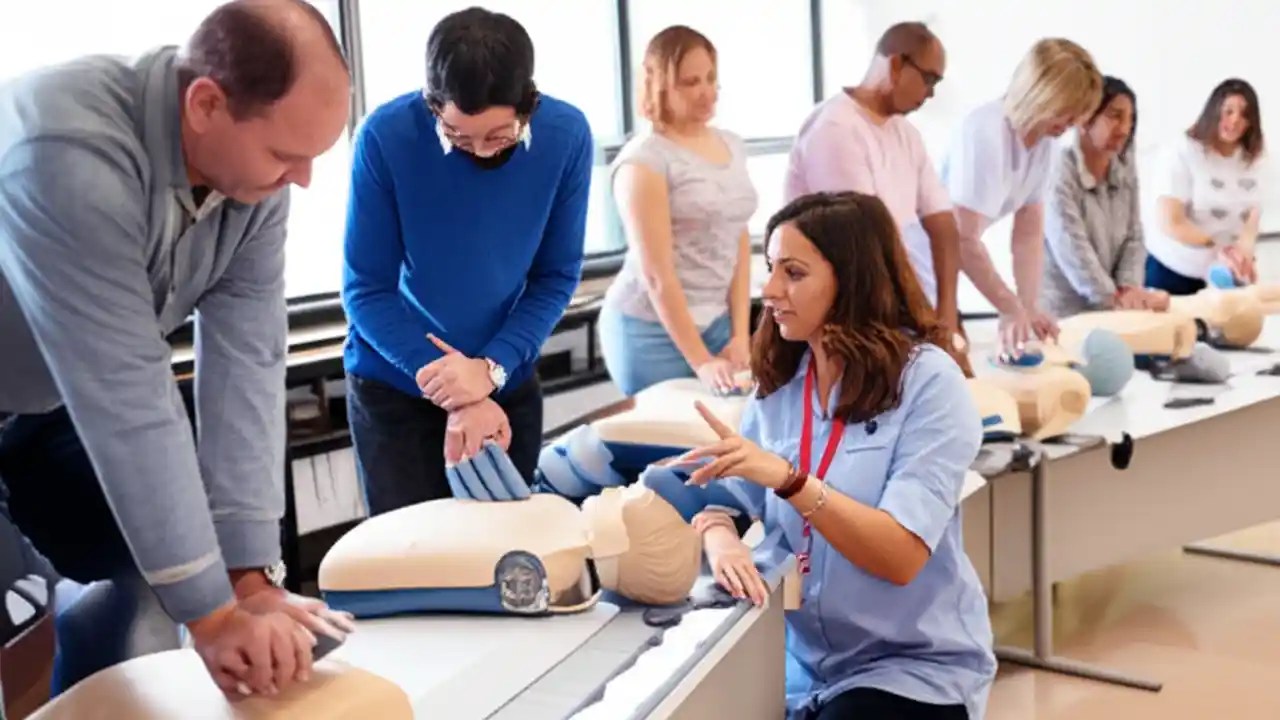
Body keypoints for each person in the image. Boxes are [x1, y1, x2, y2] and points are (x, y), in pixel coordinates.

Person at [0, 0, 354, 699]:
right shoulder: (64, 154)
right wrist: (214, 615)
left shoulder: (254, 182)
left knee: (140, 589)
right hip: (80, 389)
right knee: (22, 626)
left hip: (52, 402)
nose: (303, 179)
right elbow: (128, 394)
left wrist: (248, 580)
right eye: (287, 155)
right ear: (205, 104)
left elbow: (247, 363)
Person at [680, 192, 995, 720]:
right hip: (801, 668)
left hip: (912, 670)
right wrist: (720, 538)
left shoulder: (929, 382)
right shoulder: (780, 386)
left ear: (851, 279)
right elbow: (726, 498)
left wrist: (790, 482)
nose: (771, 290)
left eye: (794, 273)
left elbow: (899, 557)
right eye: (770, 269)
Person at [342, 8, 591, 515]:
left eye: (498, 136)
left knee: (506, 563)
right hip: (397, 382)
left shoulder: (566, 136)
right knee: (408, 567)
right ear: (433, 106)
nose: (478, 151)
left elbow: (555, 276)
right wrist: (459, 390)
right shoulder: (384, 138)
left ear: (530, 104)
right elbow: (366, 289)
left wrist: (491, 369)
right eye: (457, 136)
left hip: (506, 379)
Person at [785, 22, 968, 372]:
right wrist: (927, 325)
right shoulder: (835, 129)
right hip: (853, 319)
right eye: (929, 79)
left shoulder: (907, 133)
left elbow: (942, 223)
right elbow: (865, 245)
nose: (930, 94)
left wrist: (946, 314)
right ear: (897, 64)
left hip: (906, 312)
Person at [598, 25, 759, 396]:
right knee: (668, 447)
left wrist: (740, 335)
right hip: (649, 331)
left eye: (711, 78)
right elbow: (656, 276)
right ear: (660, 86)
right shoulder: (644, 161)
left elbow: (737, 238)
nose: (707, 92)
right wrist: (702, 361)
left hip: (716, 322)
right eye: (690, 82)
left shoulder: (732, 145)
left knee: (728, 440)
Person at [940, 38, 1102, 353]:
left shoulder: (1044, 144)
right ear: (1042, 94)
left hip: (946, 262)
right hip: (919, 261)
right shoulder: (984, 134)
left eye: (1077, 114)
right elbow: (961, 239)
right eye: (1067, 112)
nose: (1073, 123)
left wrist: (1029, 306)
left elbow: (1028, 235)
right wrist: (1009, 307)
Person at [1042, 76, 1170, 316]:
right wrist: (1114, 299)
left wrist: (1129, 287)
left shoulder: (1123, 172)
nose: (1124, 129)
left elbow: (1134, 236)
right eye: (1115, 116)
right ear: (1084, 119)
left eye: (1130, 120)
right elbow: (1073, 248)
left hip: (1113, 310)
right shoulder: (1058, 172)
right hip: (1063, 316)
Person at [1145, 78, 1266, 295]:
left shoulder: (1255, 156)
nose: (1235, 120)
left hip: (1224, 272)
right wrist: (1221, 248)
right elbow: (1171, 221)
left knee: (1233, 325)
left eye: (1244, 114)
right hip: (1175, 269)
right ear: (1213, 111)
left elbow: (1253, 214)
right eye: (1228, 111)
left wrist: (1243, 253)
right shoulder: (1181, 151)